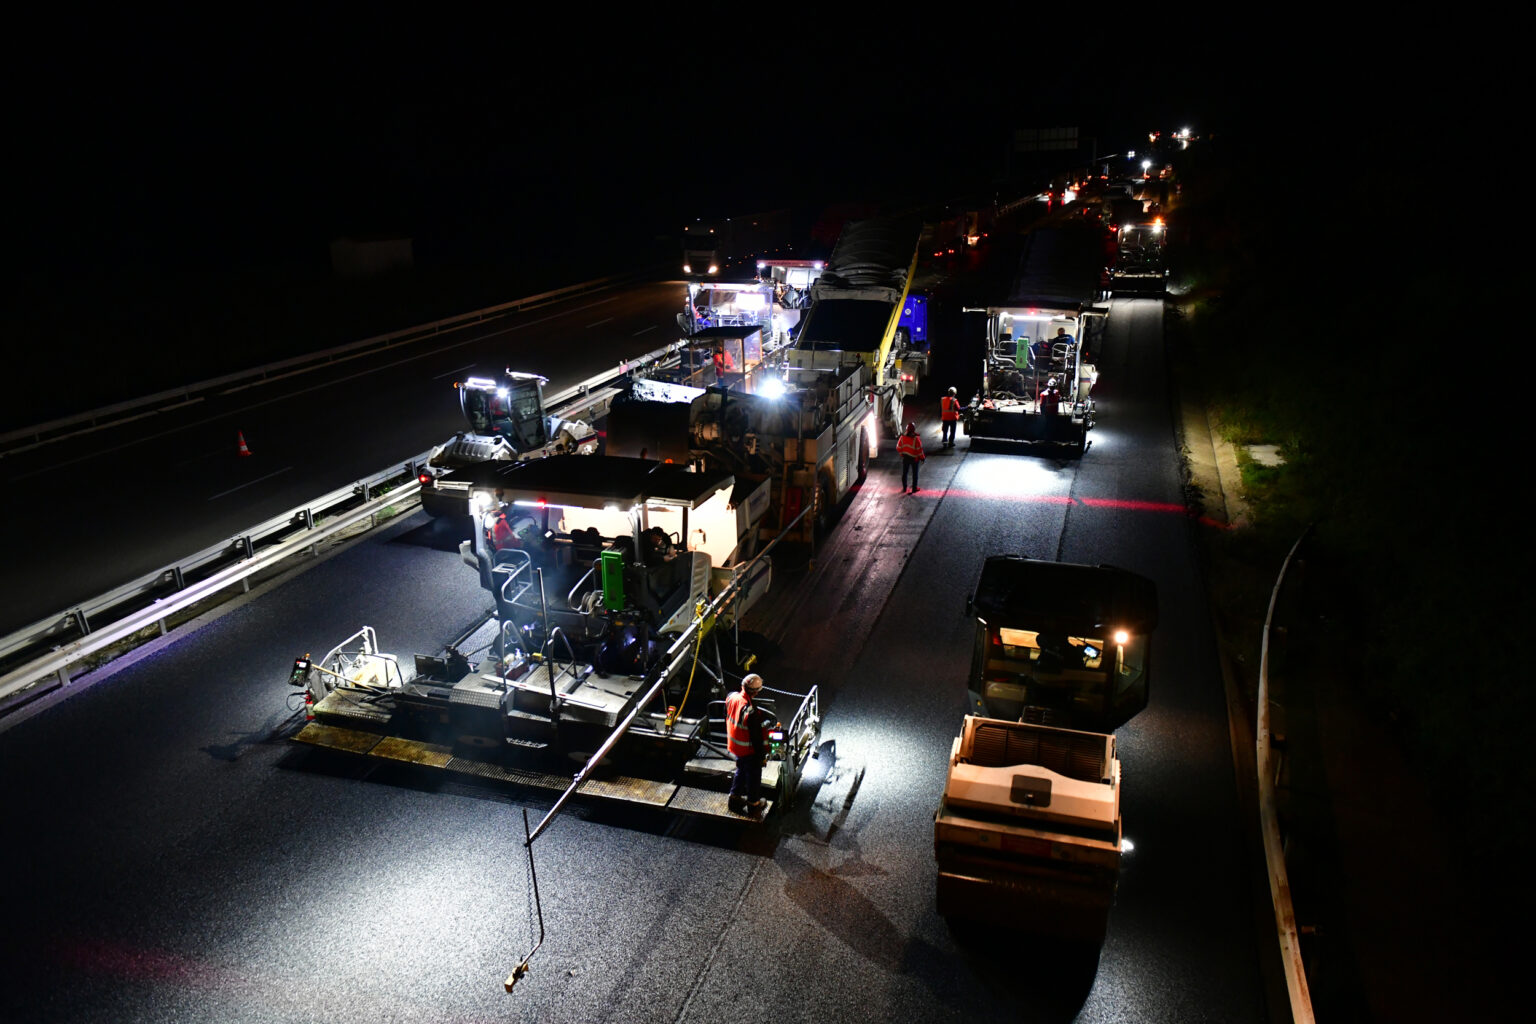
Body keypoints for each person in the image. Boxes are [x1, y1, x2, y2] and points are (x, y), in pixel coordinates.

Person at [726, 673, 770, 816]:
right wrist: (762, 756)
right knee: (754, 775)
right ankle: (754, 805)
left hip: (735, 746)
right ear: (756, 691)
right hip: (748, 749)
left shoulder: (732, 697)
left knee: (741, 770)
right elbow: (757, 738)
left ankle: (734, 799)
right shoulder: (751, 712)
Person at [897, 421, 925, 493]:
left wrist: (902, 454)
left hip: (906, 458)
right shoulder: (916, 439)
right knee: (915, 474)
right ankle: (914, 488)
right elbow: (919, 450)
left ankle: (904, 488)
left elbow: (898, 447)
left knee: (905, 473)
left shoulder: (902, 437)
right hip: (914, 459)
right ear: (914, 430)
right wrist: (922, 457)